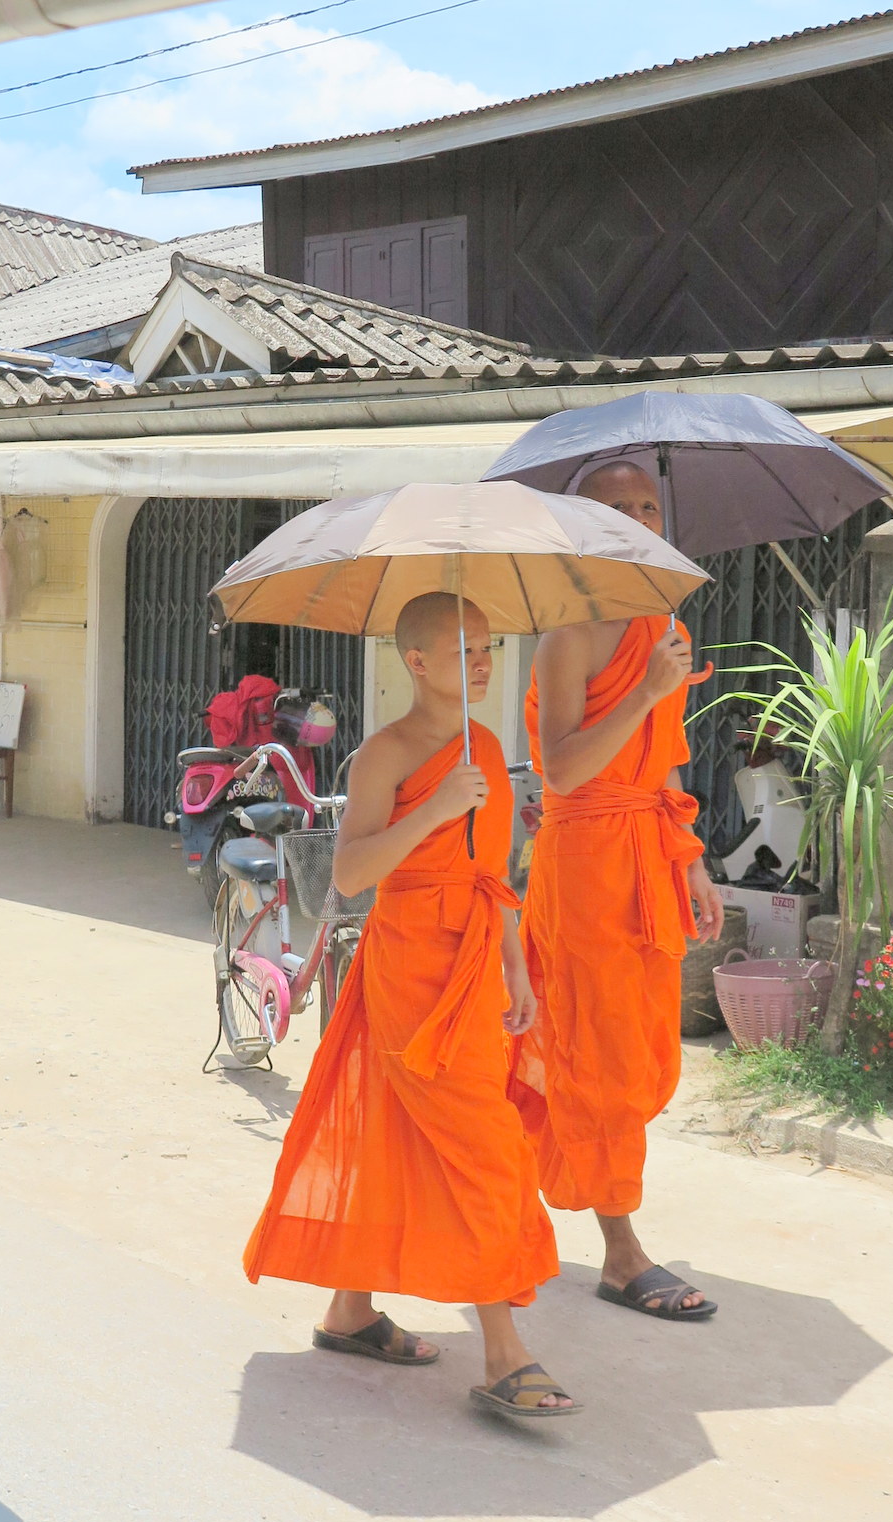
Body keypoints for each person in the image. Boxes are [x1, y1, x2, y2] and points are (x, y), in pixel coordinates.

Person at [244, 591, 579, 1421]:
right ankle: (505, 1353)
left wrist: (516, 971)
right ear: (417, 662)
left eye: (487, 647)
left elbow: (494, 878)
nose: (479, 662)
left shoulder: (489, 747)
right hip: (408, 967)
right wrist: (434, 809)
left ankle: (349, 1310)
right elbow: (351, 875)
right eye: (461, 650)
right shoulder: (383, 757)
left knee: (393, 1133)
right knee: (486, 1149)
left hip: (474, 964)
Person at [511, 457, 726, 1323]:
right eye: (616, 506)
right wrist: (645, 688)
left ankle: (494, 1199)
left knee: (632, 1051)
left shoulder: (660, 621)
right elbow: (560, 770)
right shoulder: (571, 632)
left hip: (646, 851)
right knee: (593, 1056)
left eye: (647, 504)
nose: (638, 517)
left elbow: (665, 760)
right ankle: (621, 1252)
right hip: (587, 861)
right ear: (579, 523)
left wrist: (692, 858)